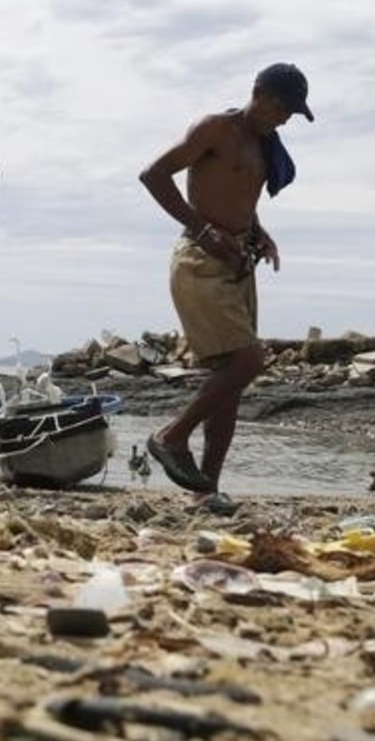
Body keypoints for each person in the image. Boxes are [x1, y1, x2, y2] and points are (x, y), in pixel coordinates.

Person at [137, 63, 314, 514]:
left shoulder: (264, 145)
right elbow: (153, 175)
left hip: (238, 262)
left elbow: (240, 201)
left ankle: (206, 490)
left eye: (291, 114)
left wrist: (259, 233)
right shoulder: (215, 128)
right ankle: (171, 436)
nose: (284, 119)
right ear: (258, 93)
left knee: (230, 384)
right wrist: (203, 232)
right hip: (199, 261)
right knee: (249, 360)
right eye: (281, 108)